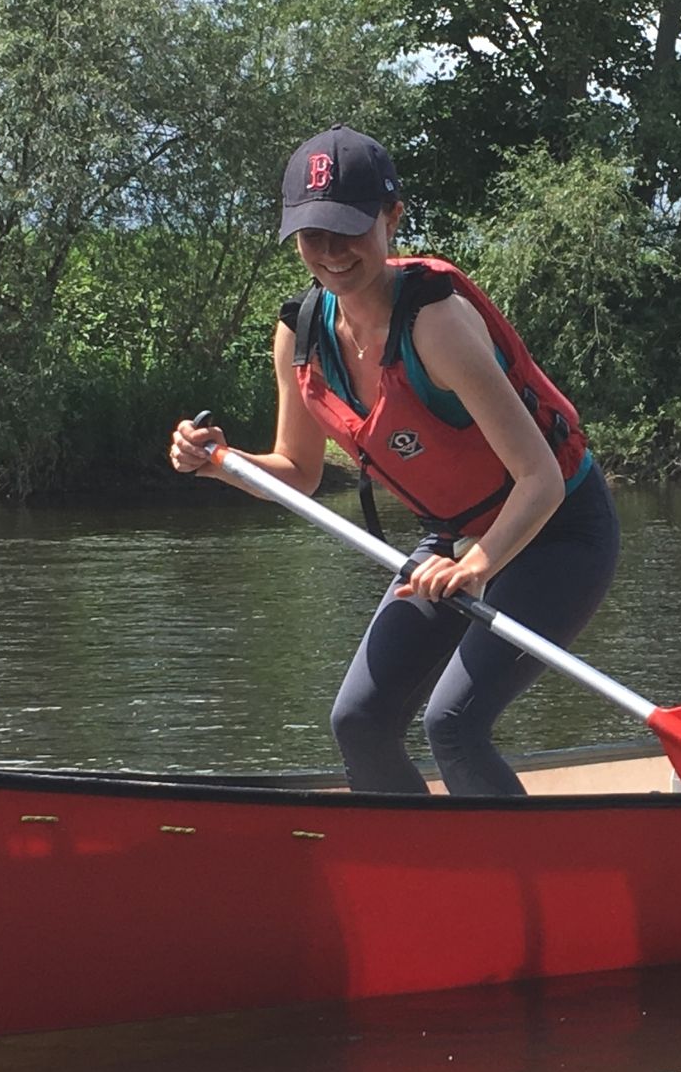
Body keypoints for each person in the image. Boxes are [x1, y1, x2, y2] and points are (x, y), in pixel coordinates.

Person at [170, 126, 620, 795]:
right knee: (359, 720)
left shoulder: (436, 325)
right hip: (456, 541)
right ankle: (417, 879)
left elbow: (541, 478)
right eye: (313, 235)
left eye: (350, 230)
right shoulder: (300, 333)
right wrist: (224, 462)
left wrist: (476, 565)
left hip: (557, 531)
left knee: (455, 723)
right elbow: (299, 471)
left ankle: (523, 885)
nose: (331, 253)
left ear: (392, 219)